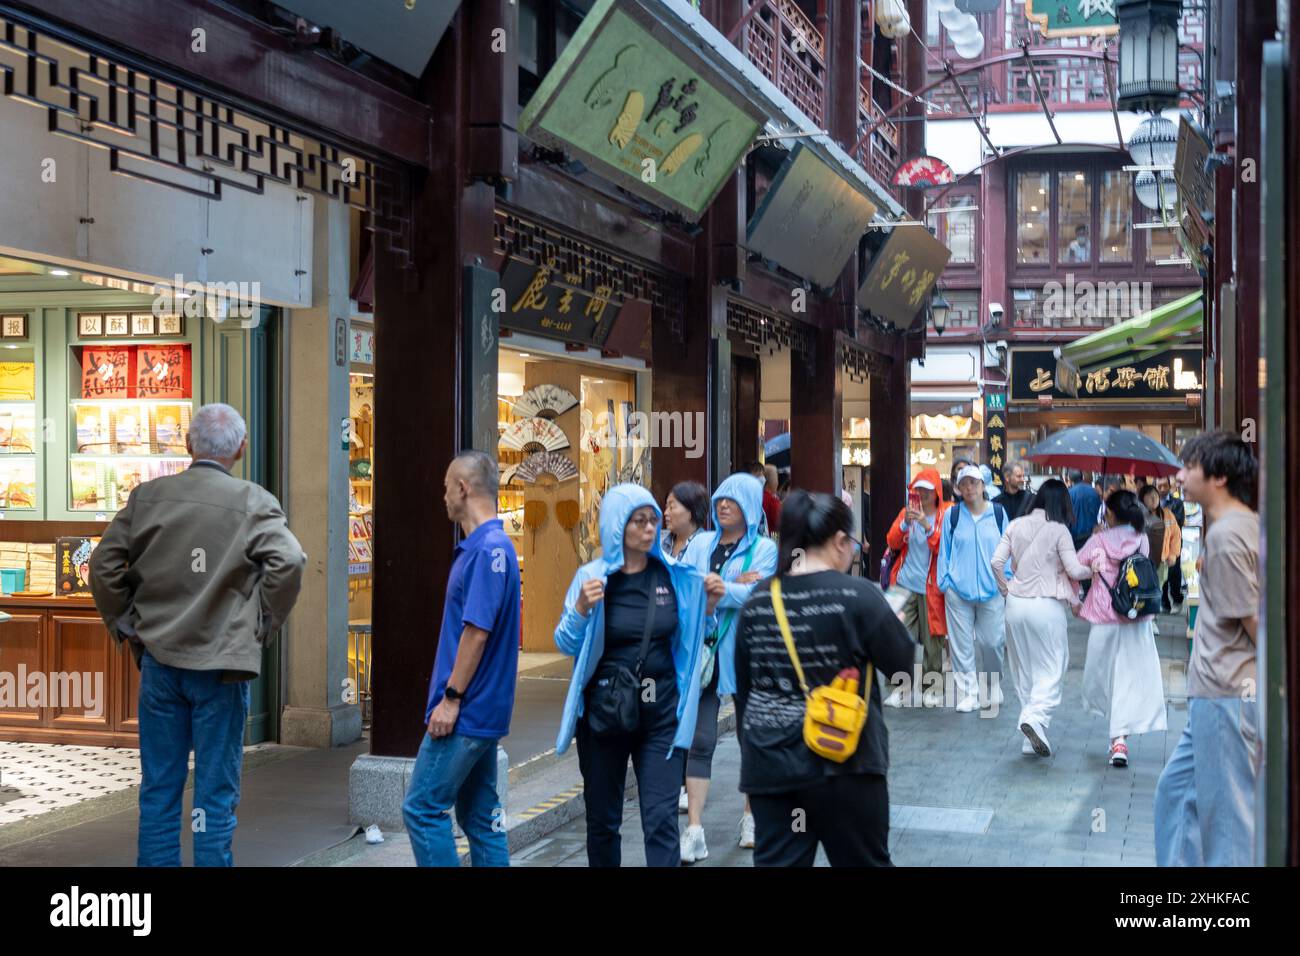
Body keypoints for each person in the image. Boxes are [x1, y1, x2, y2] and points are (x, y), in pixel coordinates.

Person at [89, 403, 306, 867]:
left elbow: (103, 565)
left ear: (188, 445)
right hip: (221, 667)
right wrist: (265, 621)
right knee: (214, 790)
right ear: (242, 449)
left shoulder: (147, 497)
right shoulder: (253, 500)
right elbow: (289, 561)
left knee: (160, 788)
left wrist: (126, 623)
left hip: (160, 661)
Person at [734, 492, 914, 866]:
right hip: (846, 762)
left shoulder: (757, 601)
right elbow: (903, 670)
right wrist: (892, 629)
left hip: (772, 764)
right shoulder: (859, 596)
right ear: (838, 542)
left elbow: (744, 692)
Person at [553, 484, 717, 867]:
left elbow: (694, 634)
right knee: (603, 821)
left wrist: (708, 607)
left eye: (653, 521)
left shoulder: (673, 576)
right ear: (616, 526)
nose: (649, 529)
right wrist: (579, 608)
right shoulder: (592, 578)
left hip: (659, 713)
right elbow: (564, 642)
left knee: (660, 820)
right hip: (604, 714)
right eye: (638, 521)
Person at [401, 451, 521, 867]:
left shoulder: (487, 550)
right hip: (483, 711)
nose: (443, 497)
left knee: (422, 809)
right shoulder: (493, 547)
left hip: (466, 711)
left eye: (446, 487)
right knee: (480, 819)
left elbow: (476, 632)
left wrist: (451, 698)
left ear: (463, 489)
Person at [1155, 432, 1260, 866]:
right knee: (1177, 795)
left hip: (1227, 693)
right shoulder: (1240, 527)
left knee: (1228, 823)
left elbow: (1256, 623)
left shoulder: (1229, 535)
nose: (1180, 476)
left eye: (1189, 467)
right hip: (1218, 692)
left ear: (1217, 476)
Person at [679, 473, 778, 862]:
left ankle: (751, 818)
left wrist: (725, 588)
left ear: (750, 508)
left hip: (746, 655)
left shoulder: (765, 549)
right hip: (702, 655)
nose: (723, 506)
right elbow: (686, 585)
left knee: (749, 738)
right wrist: (733, 583)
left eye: (733, 501)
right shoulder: (701, 542)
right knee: (699, 740)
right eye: (720, 499)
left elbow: (759, 593)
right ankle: (695, 828)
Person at [991, 479, 1093, 757]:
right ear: (1062, 503)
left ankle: (1030, 737)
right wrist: (1093, 566)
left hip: (1014, 604)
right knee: (1052, 667)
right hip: (1045, 605)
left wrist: (1005, 589)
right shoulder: (1059, 530)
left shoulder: (1015, 525)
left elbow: (996, 562)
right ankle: (1035, 718)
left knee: (1024, 669)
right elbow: (1073, 569)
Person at [1077, 489, 1168, 768]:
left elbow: (1076, 567)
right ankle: (1119, 739)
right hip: (1135, 616)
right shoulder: (1140, 538)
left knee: (1104, 676)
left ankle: (1117, 737)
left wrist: (1095, 558)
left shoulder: (1098, 539)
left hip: (1105, 616)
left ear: (1112, 514)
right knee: (1129, 677)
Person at [937, 464, 1009, 712]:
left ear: (982, 485)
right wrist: (945, 583)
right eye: (964, 483)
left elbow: (1007, 549)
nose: (969, 488)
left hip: (992, 591)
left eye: (973, 483)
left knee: (993, 642)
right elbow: (944, 550)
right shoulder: (952, 515)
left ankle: (992, 685)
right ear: (958, 488)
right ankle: (969, 692)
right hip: (958, 590)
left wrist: (1006, 580)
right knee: (961, 646)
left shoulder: (998, 513)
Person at [883, 468, 950, 708]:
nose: (921, 494)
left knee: (933, 641)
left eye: (926, 490)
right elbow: (891, 541)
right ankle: (898, 688)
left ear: (936, 493)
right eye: (918, 489)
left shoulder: (946, 513)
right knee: (896, 636)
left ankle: (932, 688)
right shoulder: (906, 512)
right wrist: (904, 525)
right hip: (903, 584)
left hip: (931, 588)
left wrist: (926, 525)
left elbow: (942, 547)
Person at [1138, 482, 1182, 631]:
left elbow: (1176, 536)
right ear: (1142, 499)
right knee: (1144, 590)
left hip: (1161, 561)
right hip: (1142, 561)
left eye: (1155, 495)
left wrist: (1173, 554)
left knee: (1157, 590)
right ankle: (1143, 618)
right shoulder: (1138, 516)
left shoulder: (1167, 514)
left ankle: (1152, 619)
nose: (1153, 498)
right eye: (1149, 496)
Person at [1157, 477, 1187, 612]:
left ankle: (1177, 599)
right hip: (1158, 545)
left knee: (1174, 573)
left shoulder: (1177, 503)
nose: (1162, 489)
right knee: (1161, 574)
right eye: (1159, 486)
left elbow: (1179, 522)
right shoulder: (1153, 504)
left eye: (1164, 486)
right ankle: (1164, 602)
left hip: (1173, 543)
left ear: (1170, 487)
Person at [662, 480, 709, 560]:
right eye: (666, 507)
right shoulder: (662, 542)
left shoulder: (706, 546)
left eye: (672, 507)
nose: (665, 513)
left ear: (691, 512)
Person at [1066, 469, 1101, 550]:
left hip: (1075, 537)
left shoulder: (1069, 493)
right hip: (1092, 535)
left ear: (1070, 480)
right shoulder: (1094, 491)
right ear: (1082, 477)